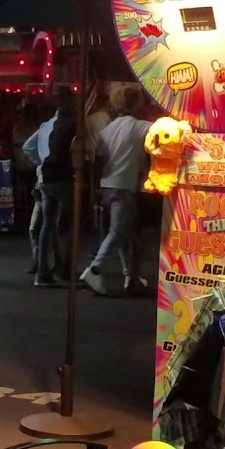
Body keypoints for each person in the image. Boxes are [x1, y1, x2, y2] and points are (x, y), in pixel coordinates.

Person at [82, 86, 151, 297]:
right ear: (136, 103)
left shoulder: (108, 129)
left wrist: (95, 187)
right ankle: (94, 269)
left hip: (106, 185)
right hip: (125, 185)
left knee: (125, 233)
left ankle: (130, 277)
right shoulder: (139, 127)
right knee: (119, 231)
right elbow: (166, 131)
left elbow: (98, 159)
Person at [31, 89, 77, 288]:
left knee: (47, 225)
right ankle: (64, 269)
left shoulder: (45, 125)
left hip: (45, 177)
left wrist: (39, 163)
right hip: (63, 177)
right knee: (67, 225)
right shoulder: (72, 124)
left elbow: (27, 146)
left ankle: (42, 272)